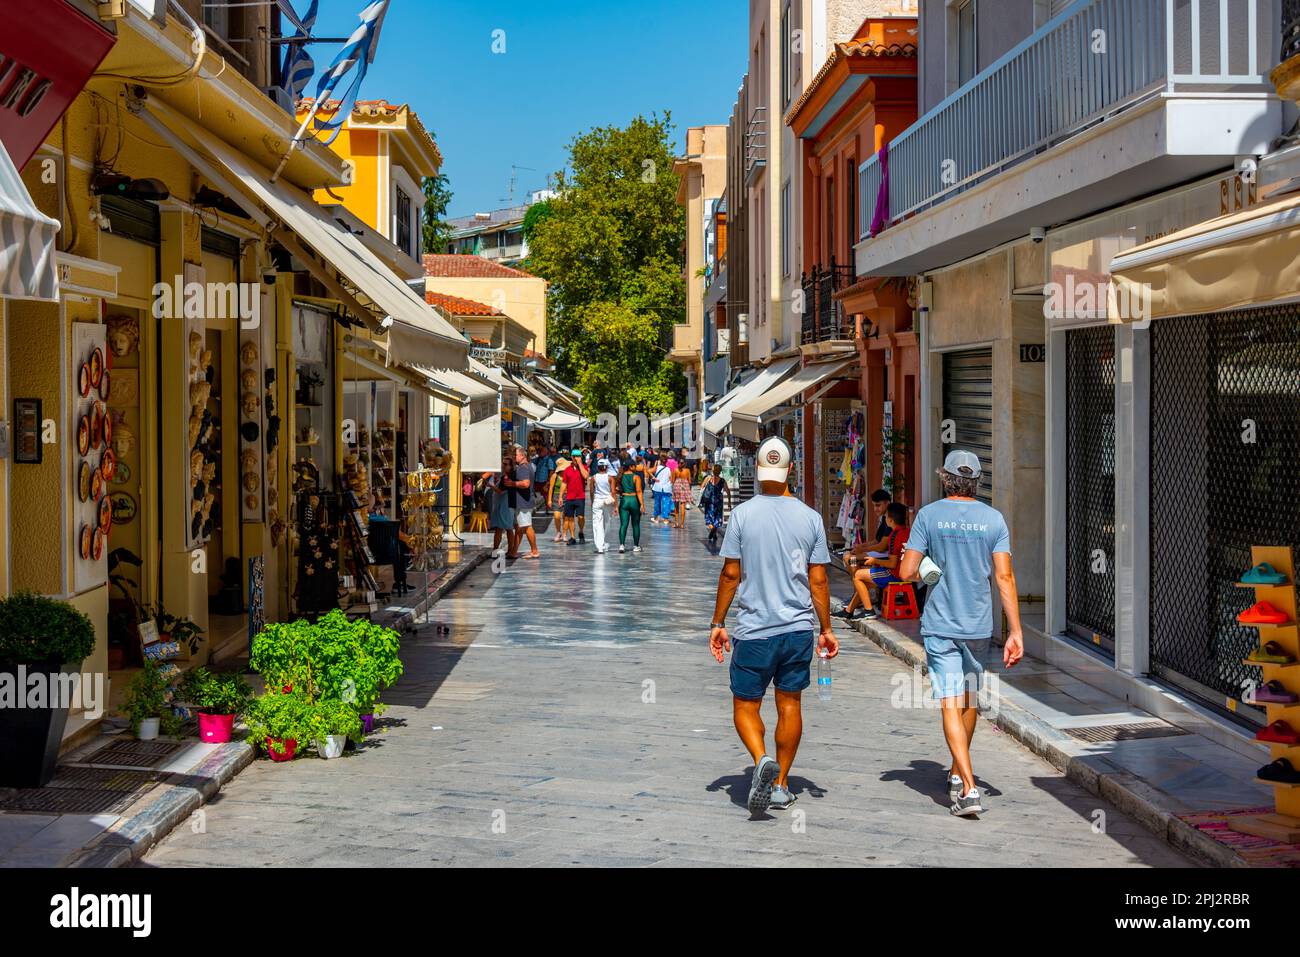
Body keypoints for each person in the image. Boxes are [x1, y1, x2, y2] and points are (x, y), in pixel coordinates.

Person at [709, 436, 838, 816]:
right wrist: (826, 629)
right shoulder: (811, 518)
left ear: (760, 472)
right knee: (790, 704)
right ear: (790, 471)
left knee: (746, 705)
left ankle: (761, 757)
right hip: (797, 630)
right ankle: (780, 783)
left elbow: (731, 574)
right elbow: (818, 580)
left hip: (754, 630)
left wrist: (718, 622)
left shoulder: (743, 516)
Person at [898, 450, 1024, 818]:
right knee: (969, 700)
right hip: (978, 624)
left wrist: (926, 566)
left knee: (951, 702)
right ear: (977, 482)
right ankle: (957, 772)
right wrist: (1015, 630)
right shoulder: (993, 519)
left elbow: (906, 571)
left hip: (940, 623)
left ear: (945, 478)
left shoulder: (929, 516)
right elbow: (1004, 577)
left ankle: (968, 788)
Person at [843, 501, 910, 621]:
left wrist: (875, 561)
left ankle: (869, 611)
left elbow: (892, 563)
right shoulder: (907, 531)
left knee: (857, 575)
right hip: (904, 572)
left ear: (890, 520)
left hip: (894, 573)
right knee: (864, 583)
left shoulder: (894, 535)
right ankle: (848, 610)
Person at [506, 444, 540, 560]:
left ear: (522, 456)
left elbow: (526, 483)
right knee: (520, 528)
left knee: (527, 526)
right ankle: (514, 551)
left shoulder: (523, 468)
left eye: (515, 455)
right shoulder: (527, 466)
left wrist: (512, 484)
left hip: (523, 502)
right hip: (523, 501)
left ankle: (534, 550)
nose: (514, 457)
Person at [485, 456, 515, 555]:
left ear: (511, 466)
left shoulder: (508, 477)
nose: (503, 465)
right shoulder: (505, 476)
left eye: (506, 464)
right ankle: (499, 550)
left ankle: (509, 550)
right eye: (503, 463)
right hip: (502, 505)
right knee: (501, 528)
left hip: (505, 506)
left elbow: (500, 491)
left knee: (507, 528)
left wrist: (491, 485)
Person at [616, 452, 645, 553]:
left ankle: (621, 545)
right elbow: (639, 491)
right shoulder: (636, 477)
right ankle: (636, 546)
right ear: (631, 467)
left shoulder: (620, 476)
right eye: (635, 466)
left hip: (624, 500)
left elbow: (616, 489)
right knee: (635, 524)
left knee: (623, 524)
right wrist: (642, 504)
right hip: (634, 500)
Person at [700, 462, 732, 546]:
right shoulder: (722, 480)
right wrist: (729, 502)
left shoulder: (708, 478)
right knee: (717, 517)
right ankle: (714, 532)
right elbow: (727, 491)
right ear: (720, 471)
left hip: (709, 500)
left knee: (709, 518)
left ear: (713, 470)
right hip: (718, 501)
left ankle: (712, 529)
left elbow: (702, 487)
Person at [560, 452, 590, 545]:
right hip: (569, 497)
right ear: (572, 457)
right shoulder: (567, 470)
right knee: (570, 518)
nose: (577, 458)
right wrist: (560, 496)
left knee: (581, 517)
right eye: (576, 456)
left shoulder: (584, 467)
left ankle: (581, 532)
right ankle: (572, 537)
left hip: (580, 497)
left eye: (579, 456)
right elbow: (564, 483)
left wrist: (580, 464)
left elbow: (586, 476)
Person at [588, 458, 616, 554]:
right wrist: (616, 506)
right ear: (607, 467)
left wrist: (592, 501)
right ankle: (606, 544)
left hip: (597, 501)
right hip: (608, 501)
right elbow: (613, 492)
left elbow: (591, 491)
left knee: (597, 524)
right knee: (607, 523)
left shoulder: (593, 478)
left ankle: (600, 546)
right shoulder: (610, 478)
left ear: (597, 467)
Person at [547, 456, 569, 542]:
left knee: (565, 516)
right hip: (556, 496)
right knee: (556, 516)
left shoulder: (568, 474)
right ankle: (558, 532)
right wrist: (549, 500)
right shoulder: (554, 476)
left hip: (567, 495)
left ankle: (564, 533)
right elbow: (551, 488)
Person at [651, 458, 674, 525]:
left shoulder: (657, 467)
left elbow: (648, 470)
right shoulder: (670, 469)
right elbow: (671, 479)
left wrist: (654, 478)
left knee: (657, 503)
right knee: (666, 503)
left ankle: (656, 518)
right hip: (667, 489)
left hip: (657, 488)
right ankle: (665, 519)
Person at [672, 464, 692, 529]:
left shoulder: (675, 470)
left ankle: (676, 523)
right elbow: (689, 481)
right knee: (682, 505)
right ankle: (682, 524)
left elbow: (672, 480)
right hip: (685, 486)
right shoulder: (687, 470)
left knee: (676, 505)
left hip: (677, 485)